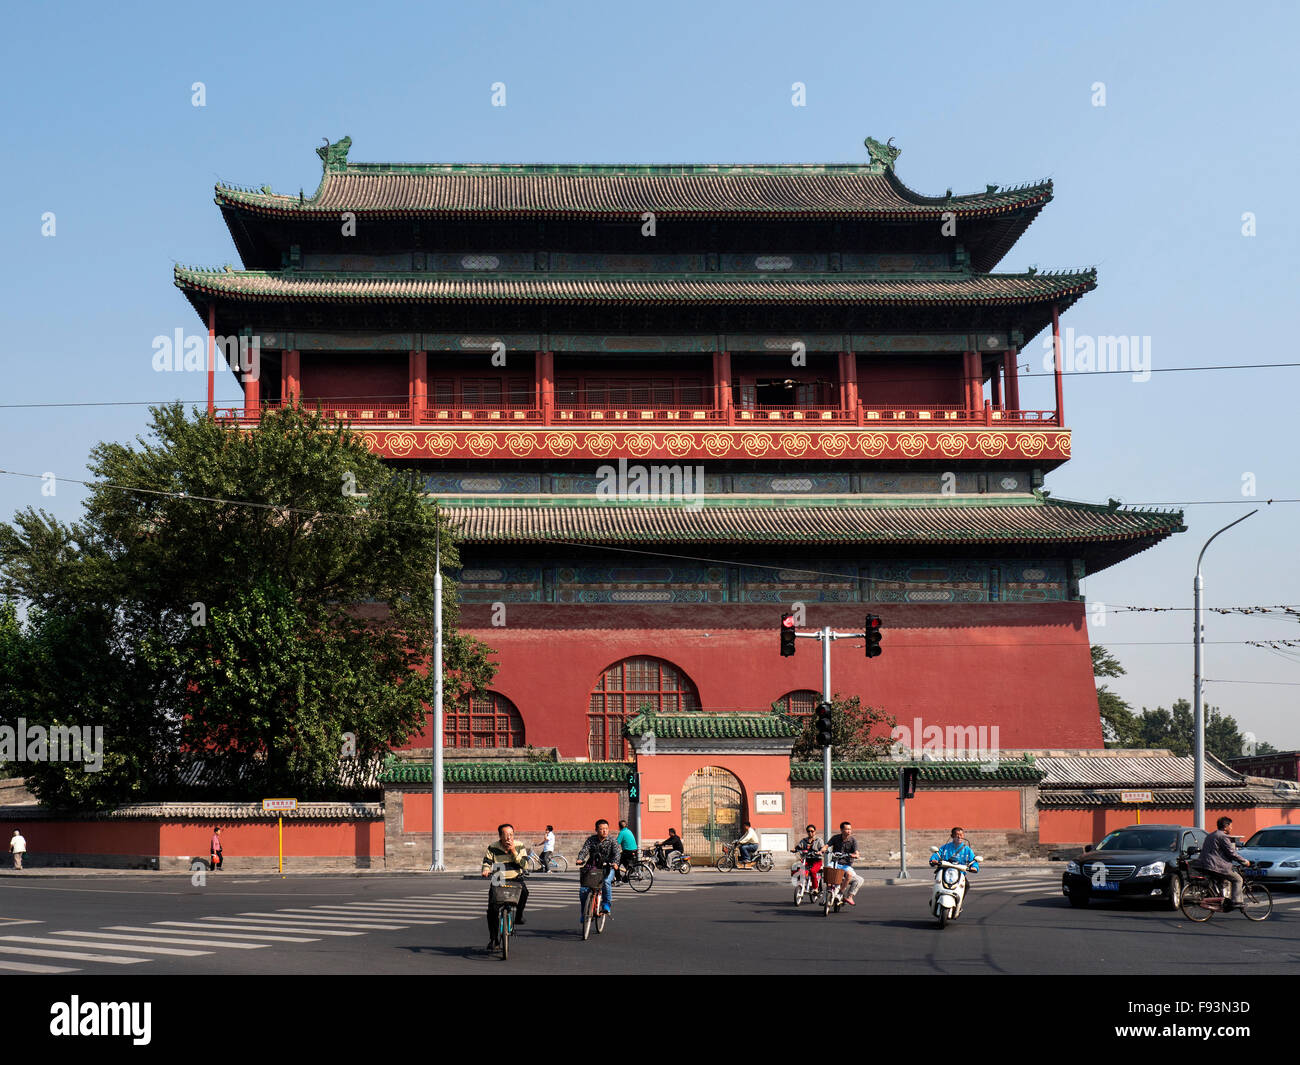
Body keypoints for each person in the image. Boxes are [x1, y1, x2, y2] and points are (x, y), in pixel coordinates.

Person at [481, 823, 530, 951]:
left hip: (515, 877)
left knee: (524, 892)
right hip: (498, 876)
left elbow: (525, 865)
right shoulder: (493, 847)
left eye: (511, 835)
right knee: (492, 909)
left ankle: (519, 915)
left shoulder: (519, 846)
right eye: (506, 835)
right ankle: (494, 939)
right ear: (500, 836)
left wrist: (513, 851)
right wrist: (486, 870)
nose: (509, 838)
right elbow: (487, 861)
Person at [1193, 816, 1251, 910]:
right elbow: (1231, 853)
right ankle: (1236, 902)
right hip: (1215, 865)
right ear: (1225, 826)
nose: (1231, 828)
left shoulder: (1210, 835)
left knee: (1222, 881)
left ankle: (1221, 900)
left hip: (1204, 864)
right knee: (1238, 879)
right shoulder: (1223, 837)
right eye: (1230, 826)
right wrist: (1244, 861)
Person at [576, 818, 621, 930]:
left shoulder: (612, 841)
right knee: (583, 890)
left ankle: (606, 904)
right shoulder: (591, 840)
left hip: (608, 867)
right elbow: (584, 850)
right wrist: (580, 859)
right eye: (601, 829)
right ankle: (584, 913)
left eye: (606, 829)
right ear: (596, 830)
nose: (604, 831)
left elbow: (616, 854)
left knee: (606, 882)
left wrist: (615, 863)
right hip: (593, 867)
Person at [930, 827, 979, 891]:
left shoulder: (967, 850)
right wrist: (933, 860)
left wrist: (974, 867)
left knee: (966, 886)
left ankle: (959, 900)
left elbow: (973, 861)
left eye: (961, 835)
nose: (959, 837)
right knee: (937, 883)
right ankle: (934, 899)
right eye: (957, 835)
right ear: (952, 836)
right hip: (944, 872)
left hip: (960, 873)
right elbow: (936, 855)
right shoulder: (945, 847)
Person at [825, 821, 863, 905]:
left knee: (849, 875)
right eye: (847, 829)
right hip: (835, 862)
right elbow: (827, 845)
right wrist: (822, 850)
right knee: (827, 869)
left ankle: (841, 893)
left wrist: (855, 855)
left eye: (850, 829)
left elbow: (857, 853)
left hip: (846, 865)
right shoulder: (835, 838)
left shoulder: (853, 841)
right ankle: (829, 889)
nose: (849, 831)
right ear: (841, 830)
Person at [793, 824, 825, 892]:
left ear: (815, 831)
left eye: (812, 831)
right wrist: (795, 849)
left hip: (817, 861)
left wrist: (820, 851)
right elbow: (799, 847)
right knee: (798, 869)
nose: (810, 833)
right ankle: (802, 883)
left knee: (813, 871)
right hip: (806, 860)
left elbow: (822, 848)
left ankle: (815, 888)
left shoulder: (819, 840)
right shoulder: (804, 840)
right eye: (808, 831)